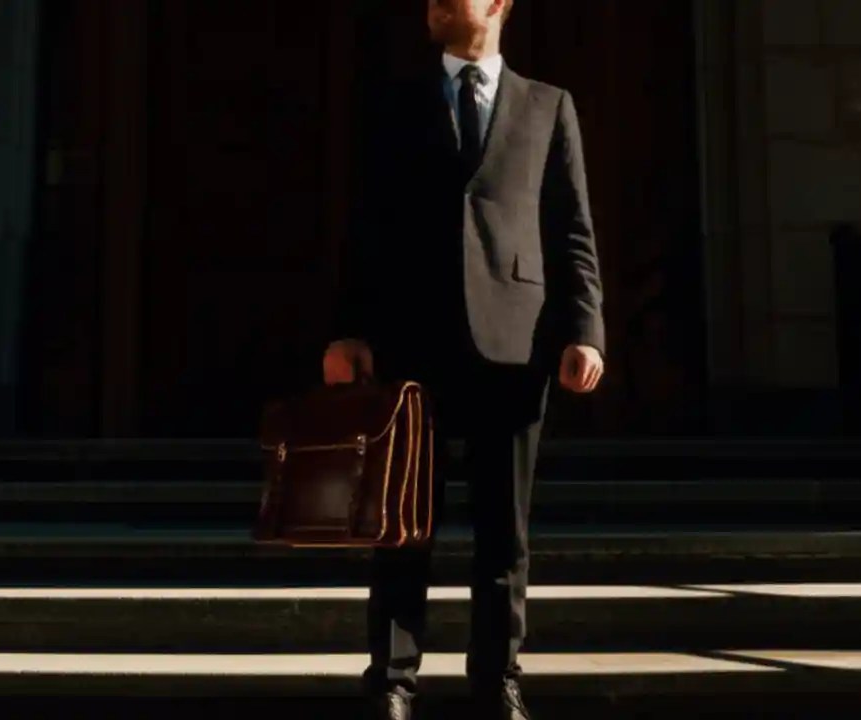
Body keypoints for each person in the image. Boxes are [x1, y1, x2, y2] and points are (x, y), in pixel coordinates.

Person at [323, 0, 607, 718]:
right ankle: (392, 683)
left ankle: (497, 680)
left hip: (515, 345)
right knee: (402, 527)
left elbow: (571, 228)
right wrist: (349, 330)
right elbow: (366, 226)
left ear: (501, 4)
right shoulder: (395, 104)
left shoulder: (548, 106)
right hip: (412, 342)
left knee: (503, 534)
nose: (438, 2)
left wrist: (585, 330)